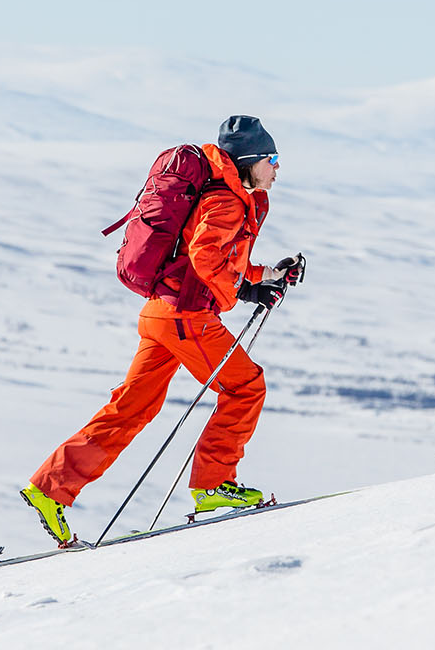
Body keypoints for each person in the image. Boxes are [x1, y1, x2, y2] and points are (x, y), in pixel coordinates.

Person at [21, 116, 306, 546]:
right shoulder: (227, 201)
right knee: (246, 386)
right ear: (250, 160)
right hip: (188, 318)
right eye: (272, 158)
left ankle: (50, 487)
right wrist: (244, 288)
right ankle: (214, 485)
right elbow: (206, 257)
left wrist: (263, 276)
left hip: (160, 312)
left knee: (131, 409)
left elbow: (211, 258)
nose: (277, 168)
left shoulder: (218, 193)